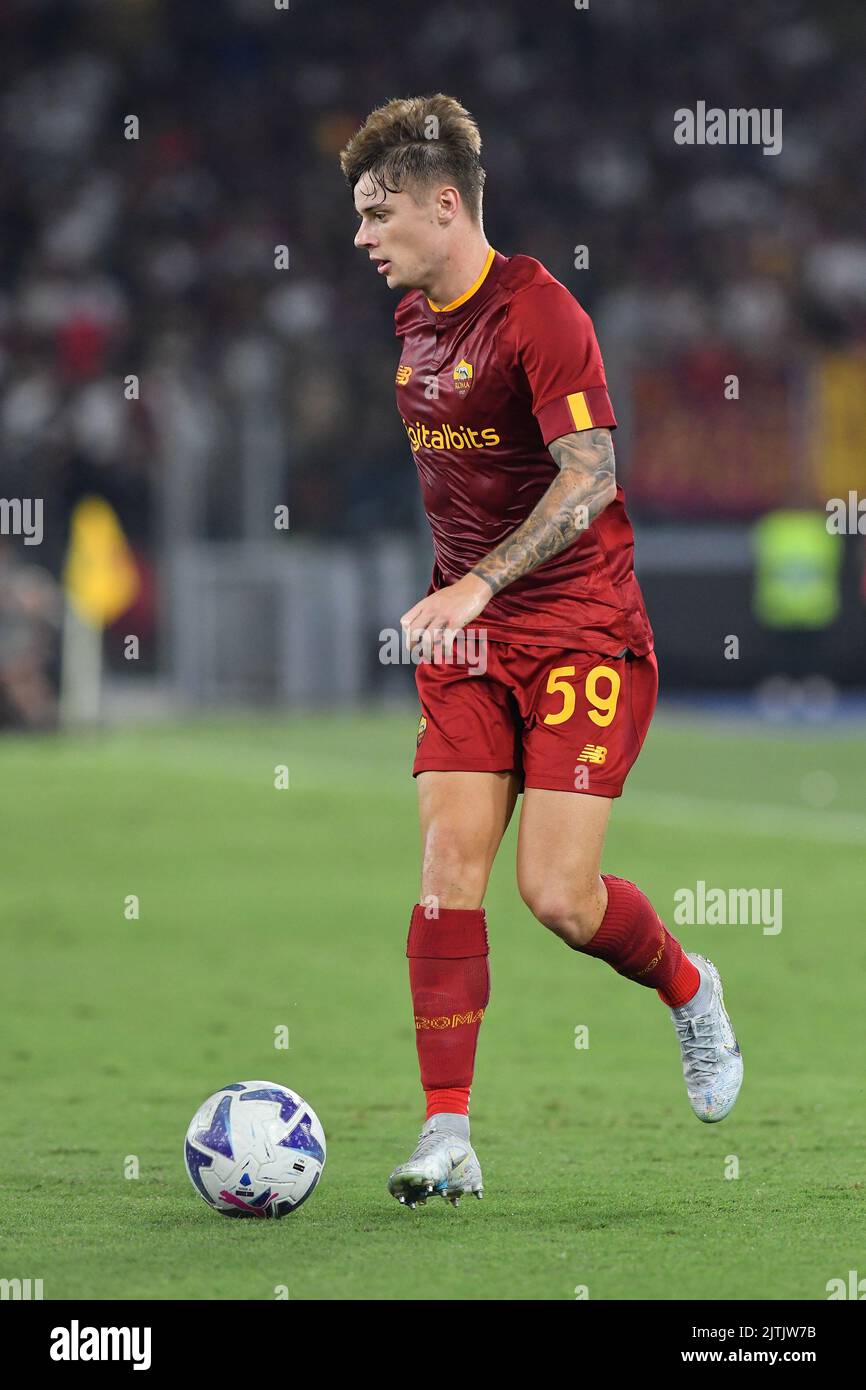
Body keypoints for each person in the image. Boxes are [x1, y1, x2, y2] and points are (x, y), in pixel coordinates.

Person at [339, 93, 743, 1209]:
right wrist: (461, 595)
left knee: (557, 897)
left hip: (579, 629)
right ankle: (447, 1132)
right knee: (442, 871)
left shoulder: (540, 312)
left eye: (376, 215)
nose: (361, 238)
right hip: (469, 643)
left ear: (443, 204)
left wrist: (474, 580)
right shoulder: (413, 317)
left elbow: (591, 474)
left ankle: (689, 985)